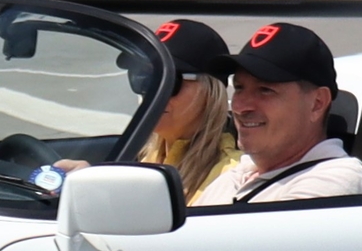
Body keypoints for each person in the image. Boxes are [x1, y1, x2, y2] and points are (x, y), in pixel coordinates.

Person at [57, 19, 241, 201]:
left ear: (210, 91)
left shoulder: (230, 175)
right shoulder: (147, 156)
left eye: (170, 81)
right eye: (144, 77)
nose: (154, 91)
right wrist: (92, 183)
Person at [194, 22, 362, 206]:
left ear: (317, 104)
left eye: (265, 90)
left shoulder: (334, 182)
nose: (240, 107)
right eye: (239, 88)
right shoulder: (236, 175)